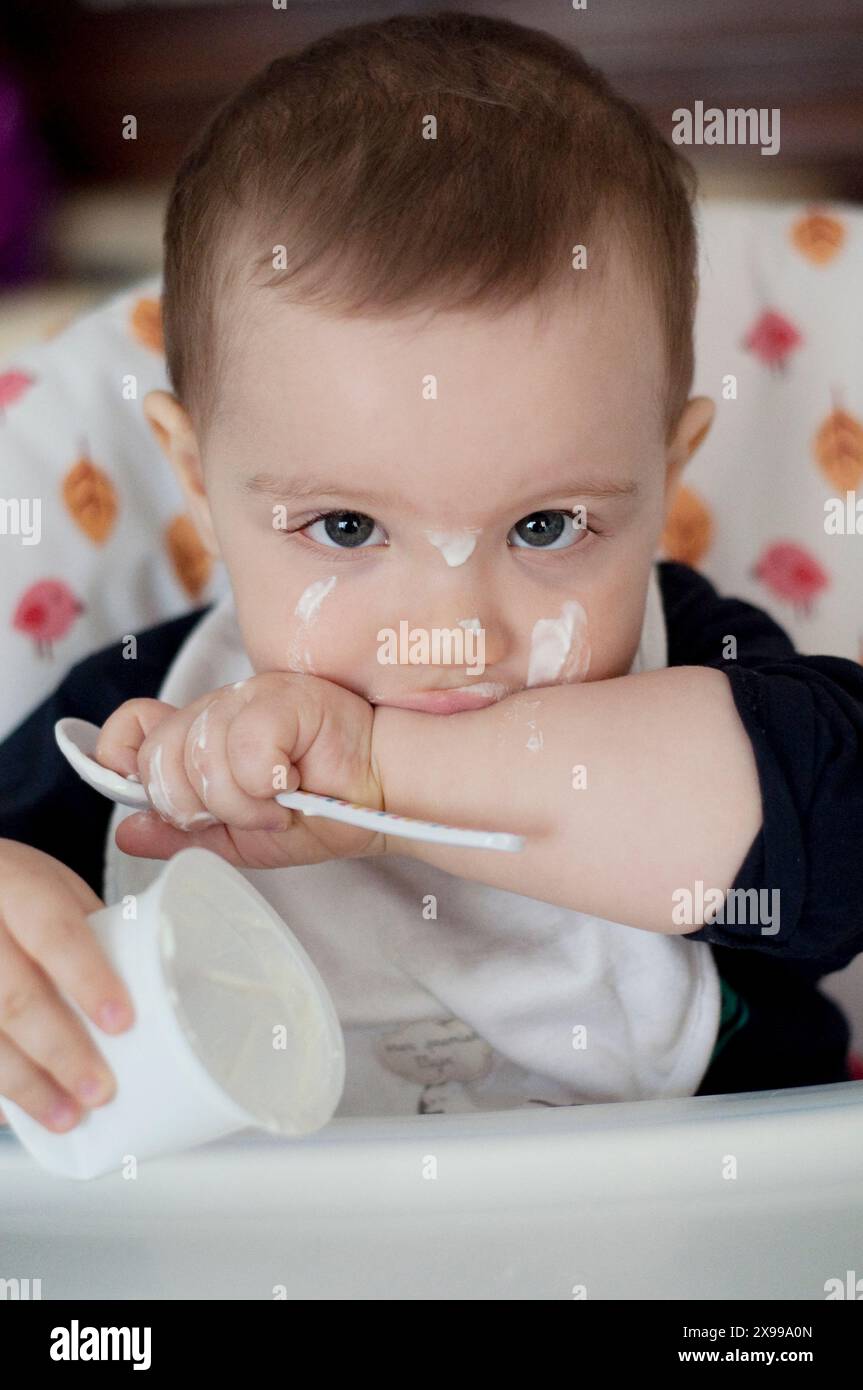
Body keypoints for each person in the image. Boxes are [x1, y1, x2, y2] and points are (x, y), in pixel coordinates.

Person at [1, 12, 861, 1136]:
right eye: (348, 529)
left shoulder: (708, 672)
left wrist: (374, 768)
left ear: (665, 473)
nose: (448, 632)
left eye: (546, 526)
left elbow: (832, 833)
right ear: (197, 483)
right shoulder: (141, 732)